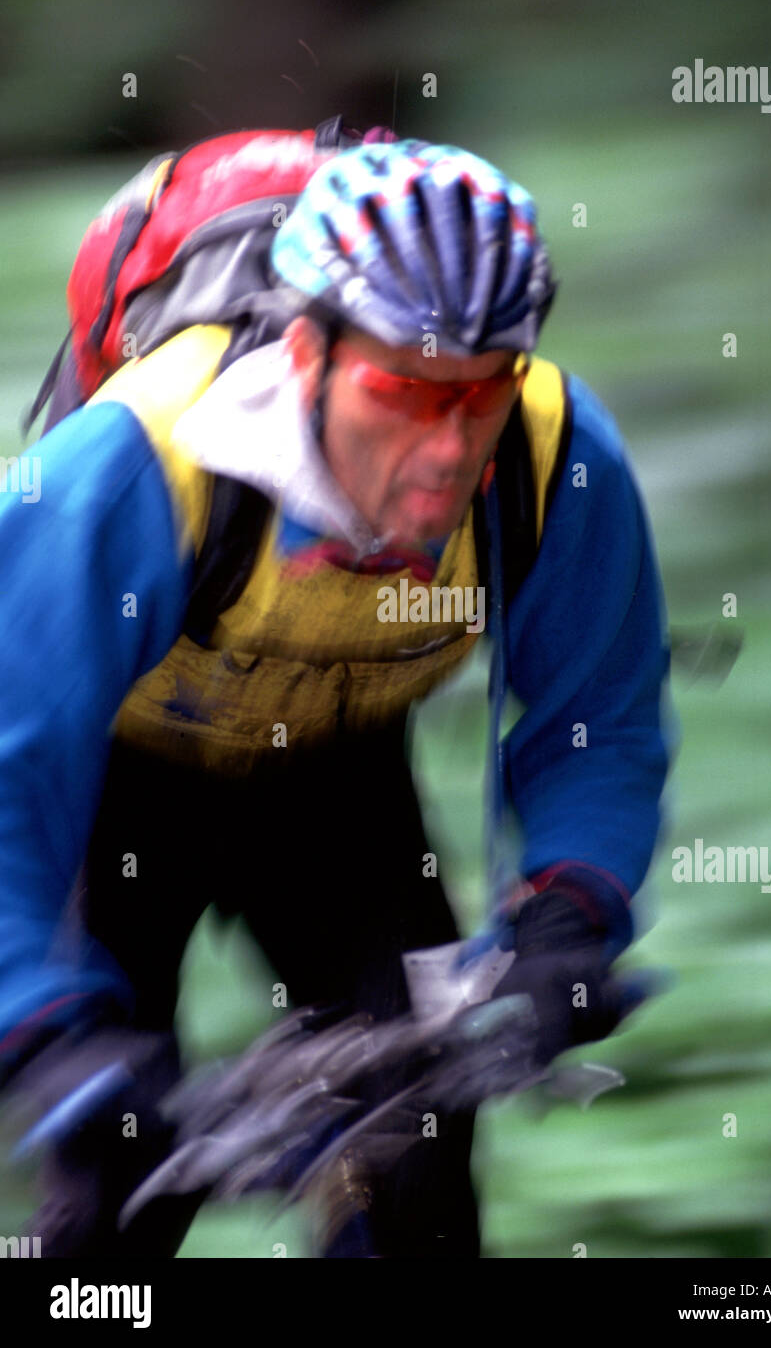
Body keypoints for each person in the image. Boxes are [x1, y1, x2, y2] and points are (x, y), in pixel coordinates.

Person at [0, 134, 672, 1258]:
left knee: (415, 1166)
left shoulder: (557, 455)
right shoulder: (130, 468)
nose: (447, 446)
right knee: (116, 1205)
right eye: (403, 391)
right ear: (304, 350)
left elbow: (597, 717)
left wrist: (568, 912)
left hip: (333, 781)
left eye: (480, 392)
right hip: (110, 788)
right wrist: (45, 1030)